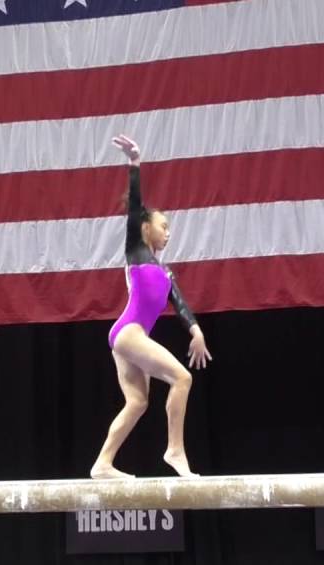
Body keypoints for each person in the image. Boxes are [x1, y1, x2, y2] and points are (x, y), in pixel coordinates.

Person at [90, 134, 212, 480]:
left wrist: (196, 330)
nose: (168, 232)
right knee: (182, 378)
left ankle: (102, 464)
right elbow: (134, 207)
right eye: (163, 226)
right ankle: (175, 450)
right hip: (129, 332)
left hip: (127, 338)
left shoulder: (165, 272)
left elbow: (181, 304)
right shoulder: (136, 252)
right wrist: (134, 164)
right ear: (146, 229)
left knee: (138, 402)